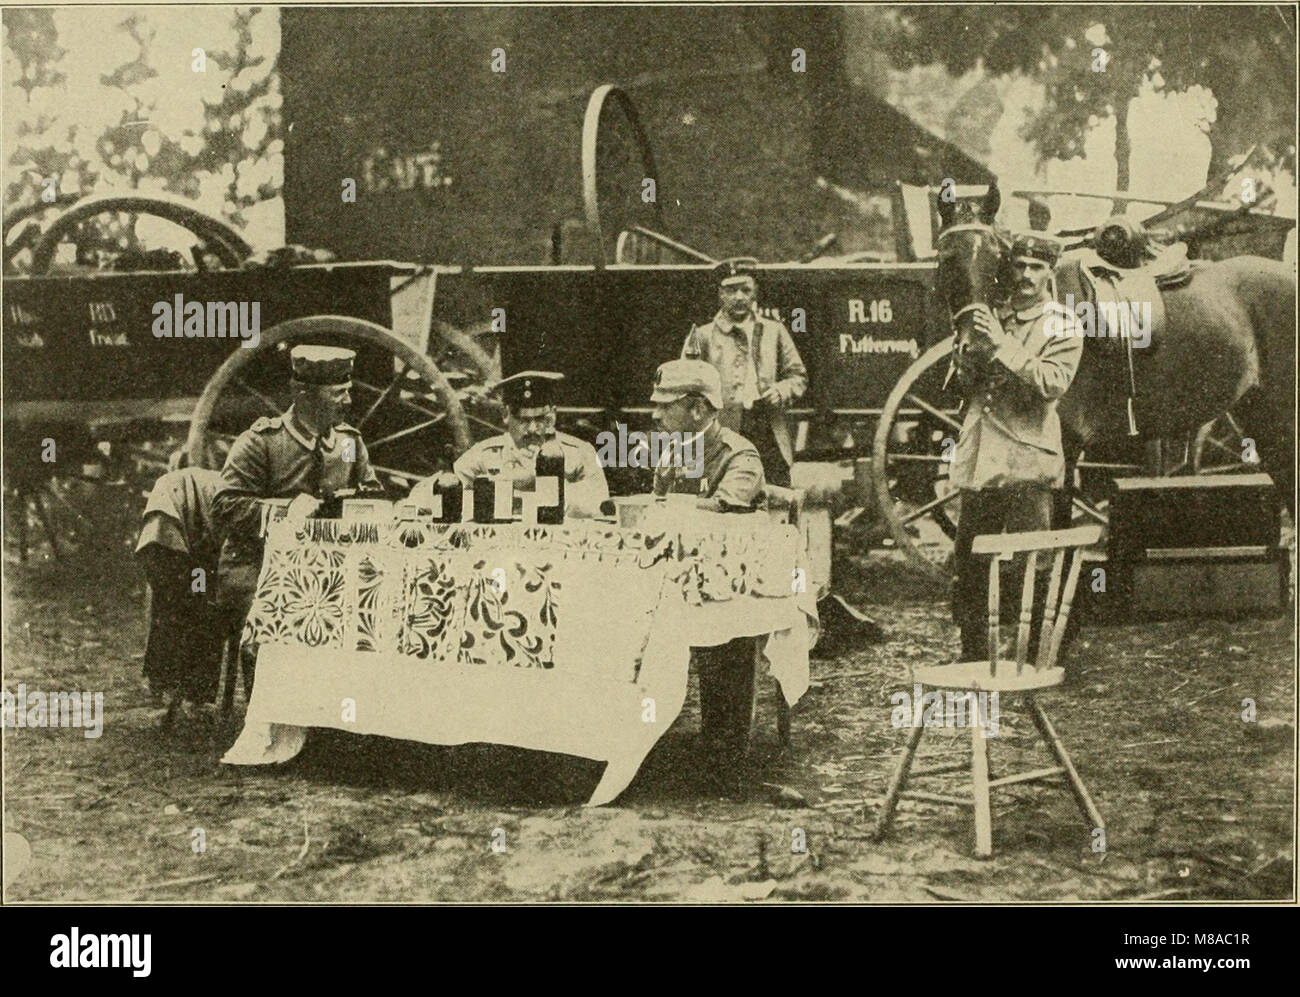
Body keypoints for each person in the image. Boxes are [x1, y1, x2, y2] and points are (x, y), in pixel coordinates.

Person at [950, 233, 1084, 659]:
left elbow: (1051, 383)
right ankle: (972, 654)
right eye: (1020, 266)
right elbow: (966, 388)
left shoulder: (1062, 323)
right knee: (970, 562)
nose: (1026, 275)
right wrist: (968, 354)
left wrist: (1000, 346)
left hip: (1027, 460)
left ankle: (1037, 655)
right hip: (982, 459)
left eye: (1036, 268)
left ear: (1049, 273)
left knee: (1034, 563)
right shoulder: (994, 316)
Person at [212, 345, 382, 628]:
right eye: (338, 393)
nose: (348, 401)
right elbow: (224, 505)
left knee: (368, 615)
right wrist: (286, 511)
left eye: (347, 390)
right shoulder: (261, 442)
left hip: (330, 565)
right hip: (260, 567)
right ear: (304, 395)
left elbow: (368, 492)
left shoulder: (348, 444)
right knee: (288, 620)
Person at [682, 257, 807, 487]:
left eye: (745, 289)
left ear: (755, 293)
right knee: (726, 493)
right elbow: (686, 387)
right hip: (723, 432)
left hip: (768, 427)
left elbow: (797, 376)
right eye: (731, 290)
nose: (739, 297)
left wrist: (781, 391)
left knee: (776, 492)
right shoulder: (702, 336)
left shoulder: (774, 331)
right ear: (720, 294)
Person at [420, 370, 609, 519]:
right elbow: (426, 497)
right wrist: (504, 483)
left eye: (540, 418)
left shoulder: (579, 452)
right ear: (505, 414)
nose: (532, 429)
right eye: (522, 420)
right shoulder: (486, 454)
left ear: (552, 415)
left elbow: (601, 505)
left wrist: (540, 480)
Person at [135, 466, 225, 721]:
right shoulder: (233, 484)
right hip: (168, 527)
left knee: (189, 608)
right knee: (182, 609)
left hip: (175, 524)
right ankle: (172, 690)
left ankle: (179, 691)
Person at [650, 359, 766, 510]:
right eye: (657, 405)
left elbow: (723, 509)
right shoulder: (673, 451)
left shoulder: (740, 456)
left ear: (698, 410)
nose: (655, 415)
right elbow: (655, 504)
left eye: (666, 406)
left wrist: (663, 505)